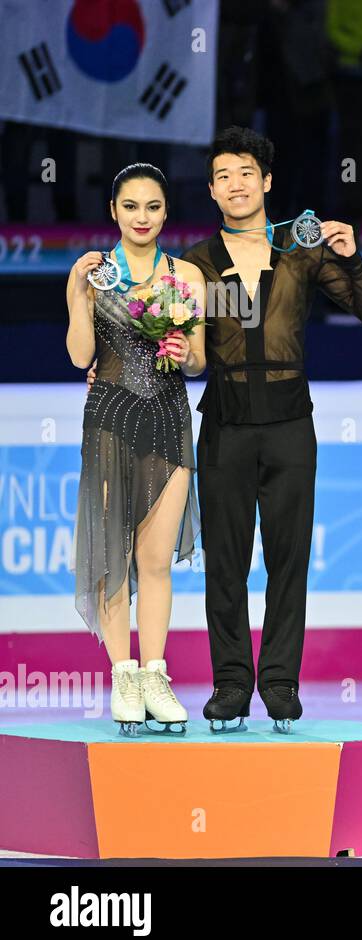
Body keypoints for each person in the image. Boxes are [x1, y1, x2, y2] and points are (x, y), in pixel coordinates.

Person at [184, 126, 362, 733]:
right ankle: (229, 685)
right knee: (224, 562)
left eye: (246, 171)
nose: (235, 184)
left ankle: (279, 684)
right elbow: (185, 350)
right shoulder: (194, 263)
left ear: (267, 182)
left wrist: (350, 253)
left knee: (288, 560)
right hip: (224, 423)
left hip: (291, 424)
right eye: (223, 176)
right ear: (213, 192)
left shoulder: (302, 248)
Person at [66, 163, 205, 735]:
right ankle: (123, 675)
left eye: (152, 207)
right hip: (110, 420)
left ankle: (155, 674)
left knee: (154, 562)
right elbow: (79, 357)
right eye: (131, 207)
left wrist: (182, 347)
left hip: (169, 419)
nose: (142, 217)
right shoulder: (95, 275)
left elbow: (199, 362)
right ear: (114, 212)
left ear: (166, 212)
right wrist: (76, 291)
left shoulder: (189, 277)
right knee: (112, 558)